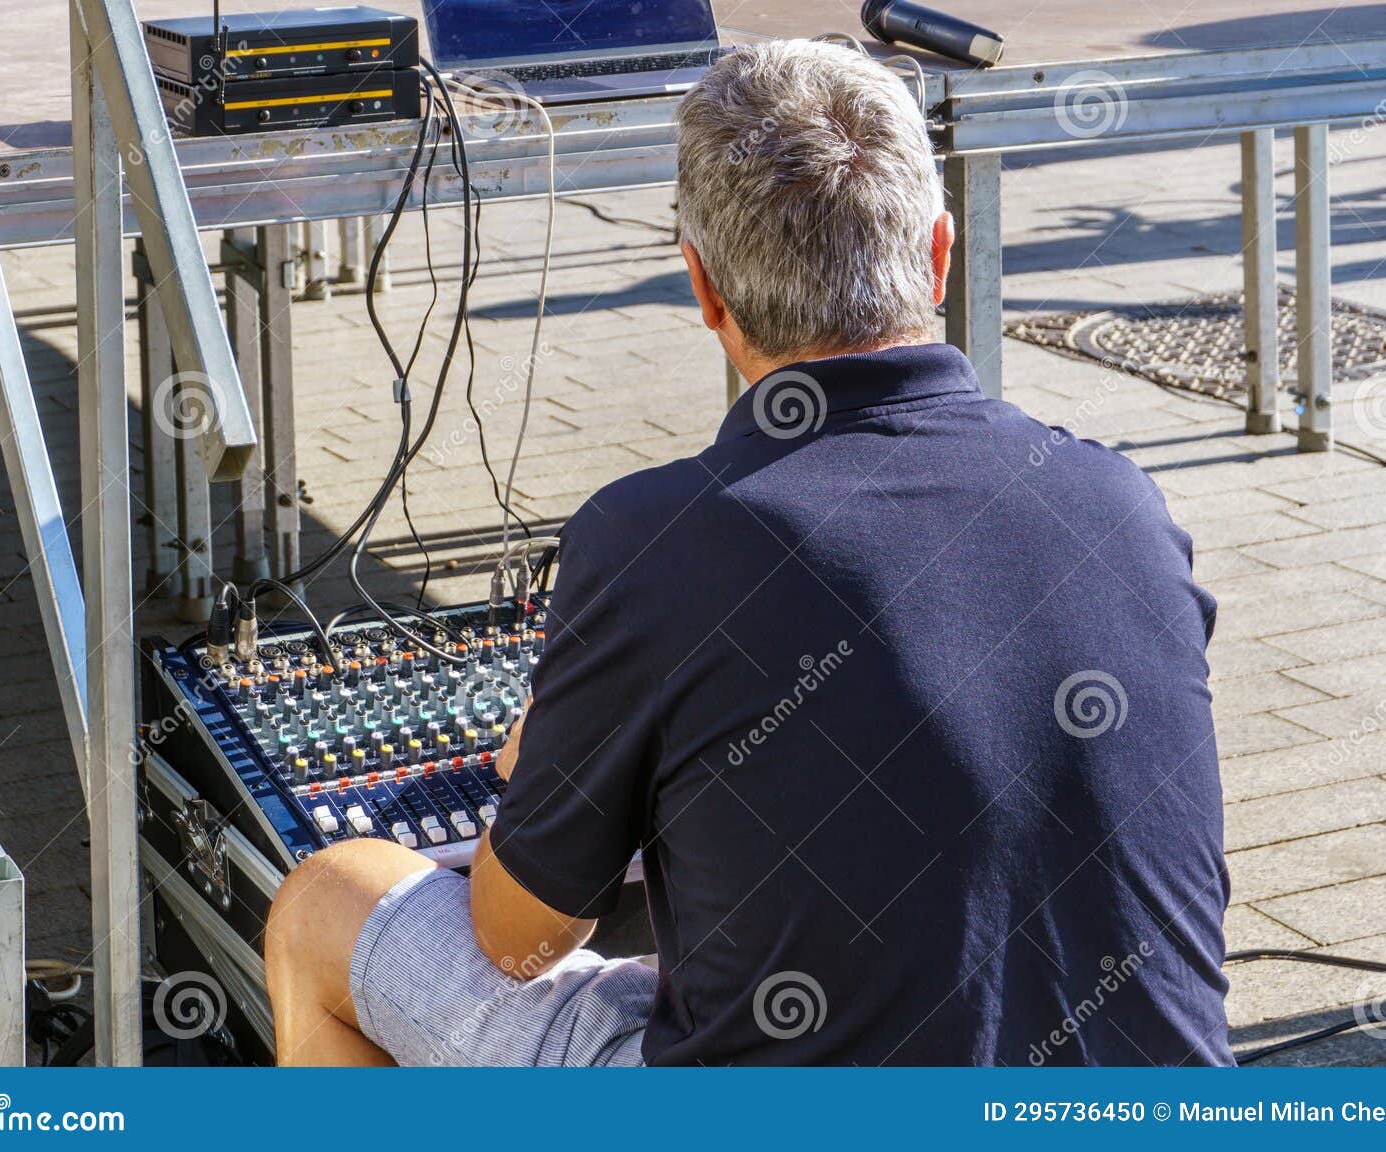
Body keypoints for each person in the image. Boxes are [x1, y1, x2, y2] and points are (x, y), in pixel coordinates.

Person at [264, 39, 1231, 1067]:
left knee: (329, 899)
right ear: (940, 253)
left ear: (703, 289)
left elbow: (521, 940)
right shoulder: (1120, 501)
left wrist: (556, 770)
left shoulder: (656, 541)